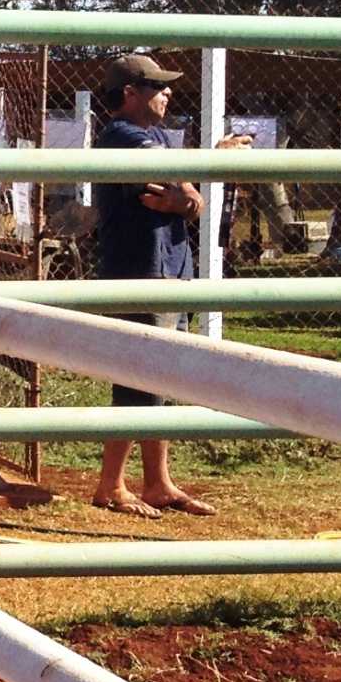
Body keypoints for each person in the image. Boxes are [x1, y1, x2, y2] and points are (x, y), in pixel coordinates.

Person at [88, 54, 243, 518]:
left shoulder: (154, 138)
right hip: (140, 272)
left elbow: (184, 198)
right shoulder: (120, 137)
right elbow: (173, 191)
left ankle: (157, 483)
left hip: (170, 269)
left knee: (162, 376)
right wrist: (209, 164)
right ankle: (111, 485)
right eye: (157, 87)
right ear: (130, 94)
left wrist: (185, 196)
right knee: (137, 378)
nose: (168, 92)